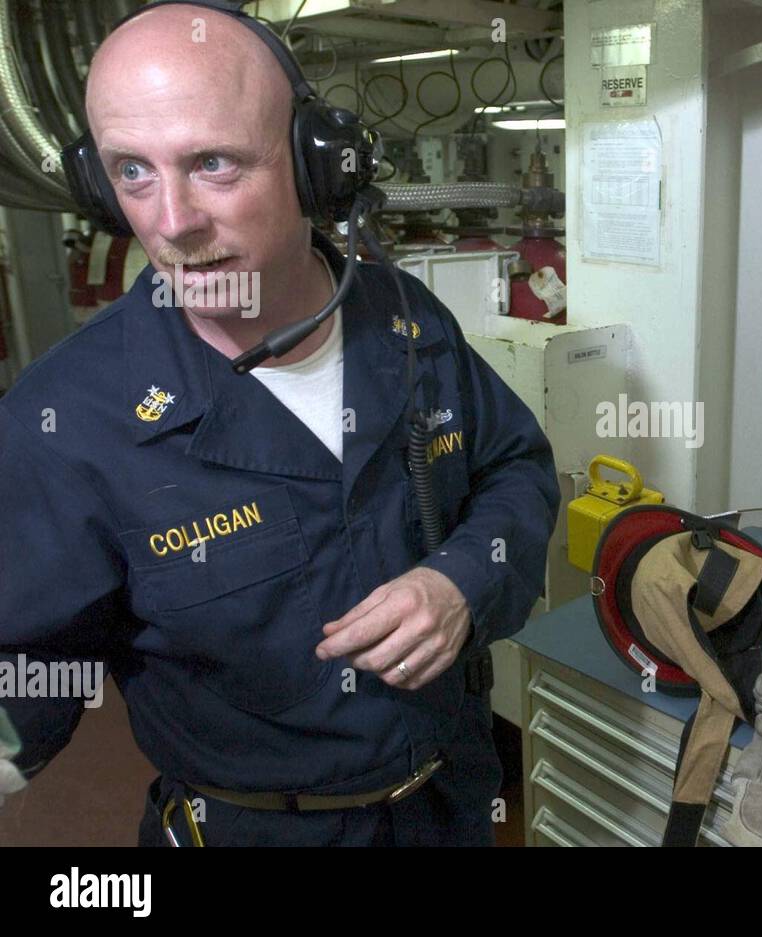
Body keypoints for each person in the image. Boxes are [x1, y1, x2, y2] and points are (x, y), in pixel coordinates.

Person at [0, 2, 559, 846]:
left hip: (450, 805)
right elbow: (26, 668)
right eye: (132, 172)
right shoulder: (68, 421)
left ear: (316, 166)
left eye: (214, 163)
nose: (171, 223)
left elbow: (515, 466)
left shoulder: (408, 322)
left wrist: (461, 581)